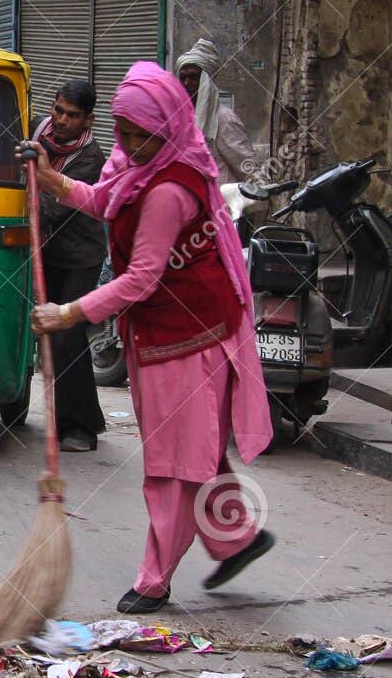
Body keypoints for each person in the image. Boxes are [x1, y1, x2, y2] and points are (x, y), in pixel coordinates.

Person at [22, 61, 274, 615]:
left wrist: (66, 314)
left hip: (187, 335)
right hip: (171, 328)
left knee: (169, 464)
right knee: (195, 450)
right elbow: (106, 200)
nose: (132, 146)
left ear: (170, 131)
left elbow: (140, 279)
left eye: (145, 137)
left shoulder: (167, 190)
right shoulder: (138, 169)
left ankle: (154, 579)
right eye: (125, 133)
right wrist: (52, 178)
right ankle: (238, 535)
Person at [32, 79, 108, 452]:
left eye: (72, 115)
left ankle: (82, 427)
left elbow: (53, 209)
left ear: (88, 119)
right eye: (58, 110)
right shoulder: (36, 132)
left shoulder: (91, 159)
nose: (61, 120)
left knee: (67, 335)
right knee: (43, 330)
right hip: (48, 250)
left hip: (80, 255)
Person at [175, 38, 262, 184]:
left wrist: (260, 192)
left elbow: (249, 170)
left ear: (205, 81)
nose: (187, 84)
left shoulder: (223, 119)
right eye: (183, 77)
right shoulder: (181, 119)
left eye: (193, 77)